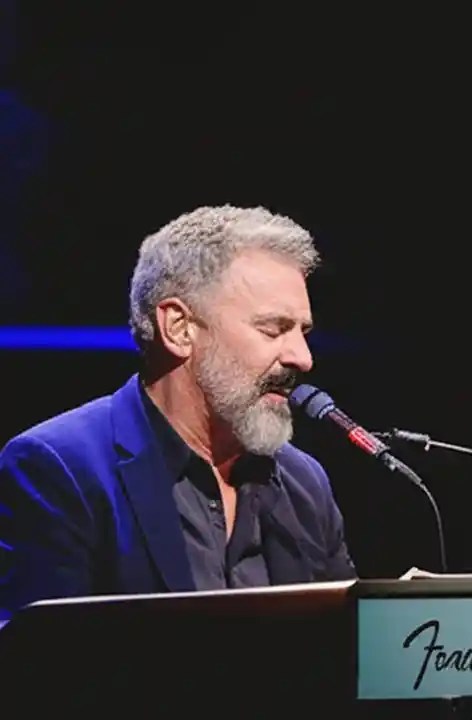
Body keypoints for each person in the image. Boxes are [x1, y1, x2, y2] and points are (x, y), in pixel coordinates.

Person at [0, 205, 357, 625]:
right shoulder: (58, 470)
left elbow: (347, 655)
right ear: (179, 328)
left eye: (304, 332)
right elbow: (38, 672)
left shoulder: (305, 484)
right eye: (273, 329)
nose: (303, 358)